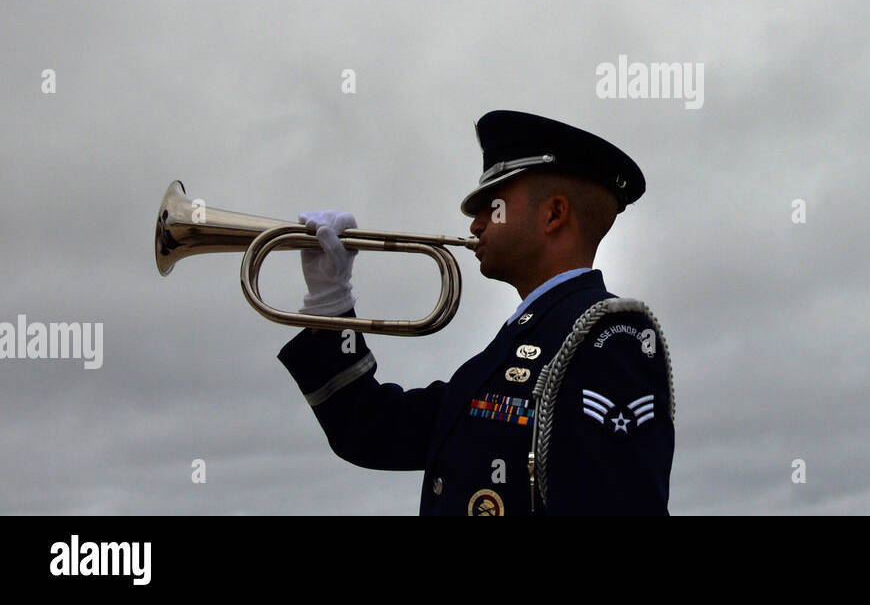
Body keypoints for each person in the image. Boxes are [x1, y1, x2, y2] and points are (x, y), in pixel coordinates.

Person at [276, 110, 675, 515]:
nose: (475, 224)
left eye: (492, 205)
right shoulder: (516, 345)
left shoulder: (609, 335)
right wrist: (328, 303)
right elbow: (371, 430)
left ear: (553, 214)